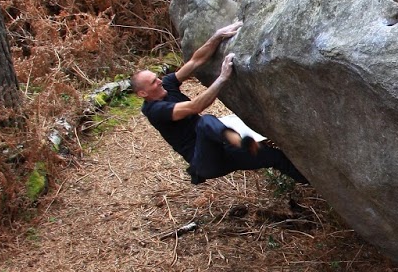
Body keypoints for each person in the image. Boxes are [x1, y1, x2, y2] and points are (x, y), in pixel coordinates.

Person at [131, 22, 306, 185]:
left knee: (275, 157)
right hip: (205, 162)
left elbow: (195, 61)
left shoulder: (167, 86)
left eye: (157, 78)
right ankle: (238, 141)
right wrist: (222, 78)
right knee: (205, 122)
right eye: (154, 82)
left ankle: (320, 187)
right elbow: (195, 107)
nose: (160, 81)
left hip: (224, 150)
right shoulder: (155, 111)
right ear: (143, 93)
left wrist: (217, 36)